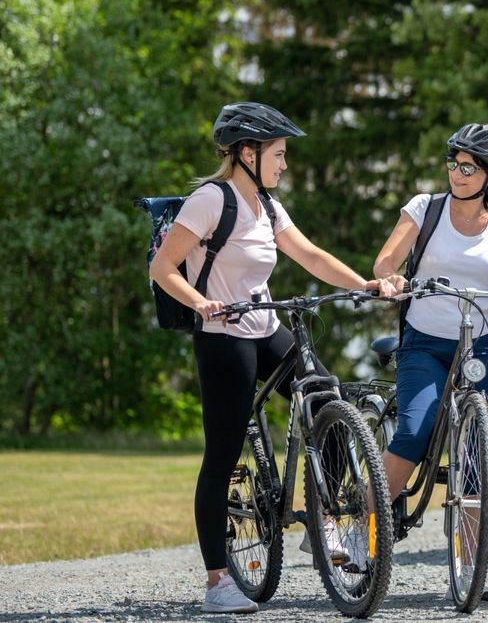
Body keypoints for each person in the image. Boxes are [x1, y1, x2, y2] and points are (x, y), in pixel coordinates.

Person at [148, 102, 394, 614]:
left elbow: (310, 255)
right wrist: (200, 302)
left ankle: (323, 519)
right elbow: (163, 267)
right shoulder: (211, 200)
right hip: (223, 334)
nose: (284, 164)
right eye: (278, 154)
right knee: (222, 452)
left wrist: (364, 284)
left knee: (327, 396)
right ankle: (218, 581)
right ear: (247, 153)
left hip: (265, 326)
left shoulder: (267, 205)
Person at [372, 123, 488, 601]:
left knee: (474, 453)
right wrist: (391, 279)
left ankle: (470, 567)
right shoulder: (424, 208)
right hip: (425, 342)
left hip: (482, 344)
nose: (457, 172)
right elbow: (386, 261)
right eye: (454, 163)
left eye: (469, 167)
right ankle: (360, 530)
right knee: (414, 430)